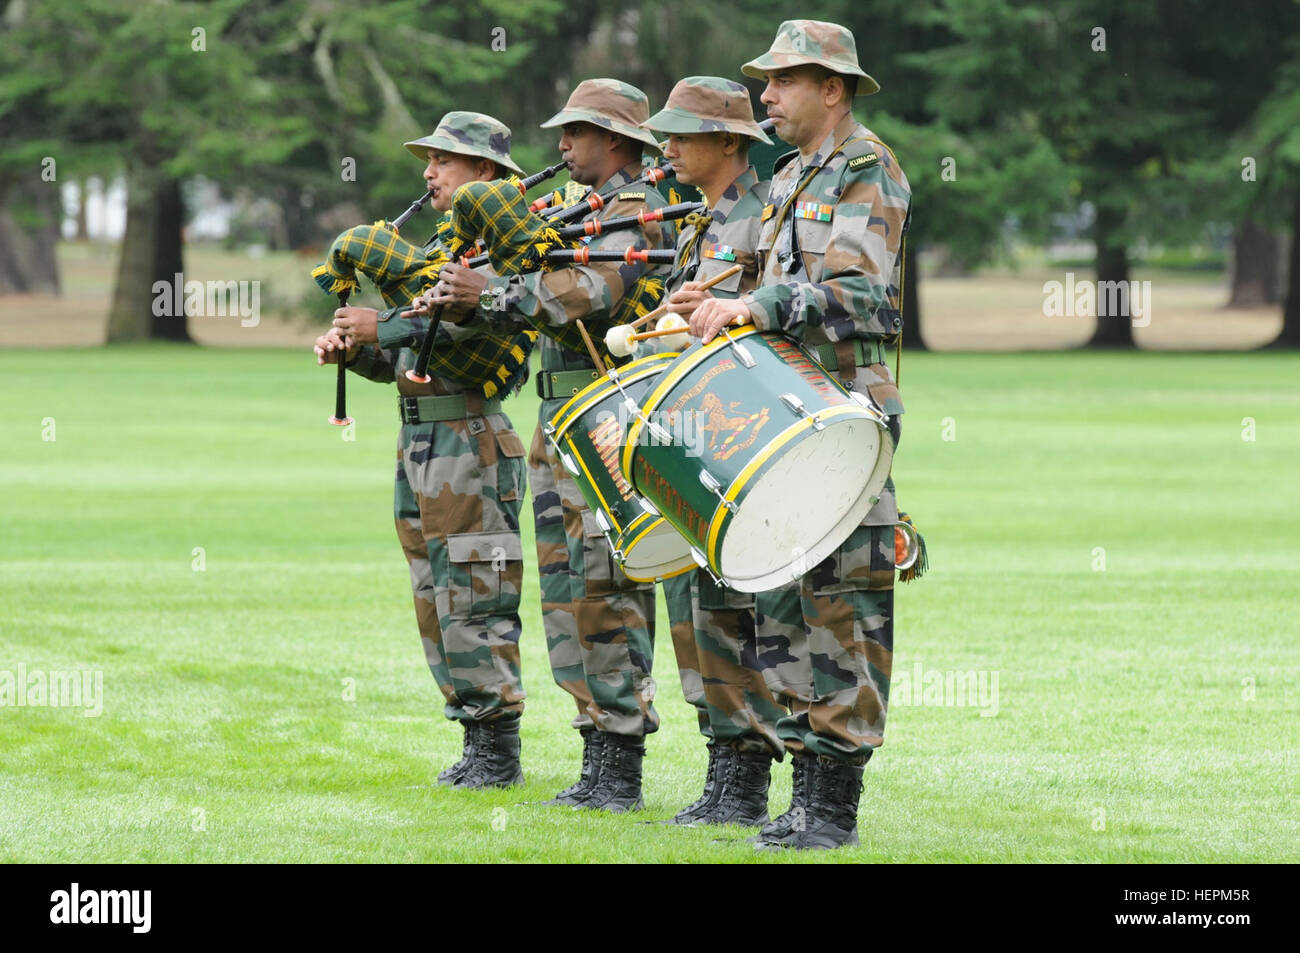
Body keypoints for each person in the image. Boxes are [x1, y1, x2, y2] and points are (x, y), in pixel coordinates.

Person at [686, 20, 912, 849]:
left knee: (842, 612)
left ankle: (831, 807)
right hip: (783, 420)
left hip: (844, 418)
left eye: (783, 81)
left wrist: (755, 305)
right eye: (766, 81)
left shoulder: (865, 168)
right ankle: (801, 796)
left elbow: (856, 291)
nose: (766, 96)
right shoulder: (787, 180)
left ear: (833, 88)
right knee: (782, 606)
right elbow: (765, 284)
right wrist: (709, 307)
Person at [427, 80, 675, 813]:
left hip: (609, 416)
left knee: (607, 587)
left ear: (619, 139)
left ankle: (620, 758)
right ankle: (595, 748)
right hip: (557, 416)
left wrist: (492, 290)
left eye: (578, 132)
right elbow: (529, 282)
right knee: (566, 591)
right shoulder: (577, 209)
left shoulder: (640, 213)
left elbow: (580, 292)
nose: (561, 144)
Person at [314, 111, 537, 789]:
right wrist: (358, 351)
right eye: (430, 160)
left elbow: (474, 345)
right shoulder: (442, 256)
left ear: (488, 175)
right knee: (434, 594)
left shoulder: (501, 259)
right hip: (421, 439)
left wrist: (380, 321)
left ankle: (498, 749)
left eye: (446, 160)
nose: (429, 172)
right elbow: (414, 355)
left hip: (470, 440)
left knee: (474, 591)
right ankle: (474, 736)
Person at [638, 76, 793, 827]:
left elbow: (777, 329)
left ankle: (748, 776)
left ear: (729, 142)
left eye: (682, 133)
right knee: (699, 609)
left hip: (745, 435)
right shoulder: (703, 222)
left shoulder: (764, 216)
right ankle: (726, 768)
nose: (666, 145)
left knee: (737, 609)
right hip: (704, 430)